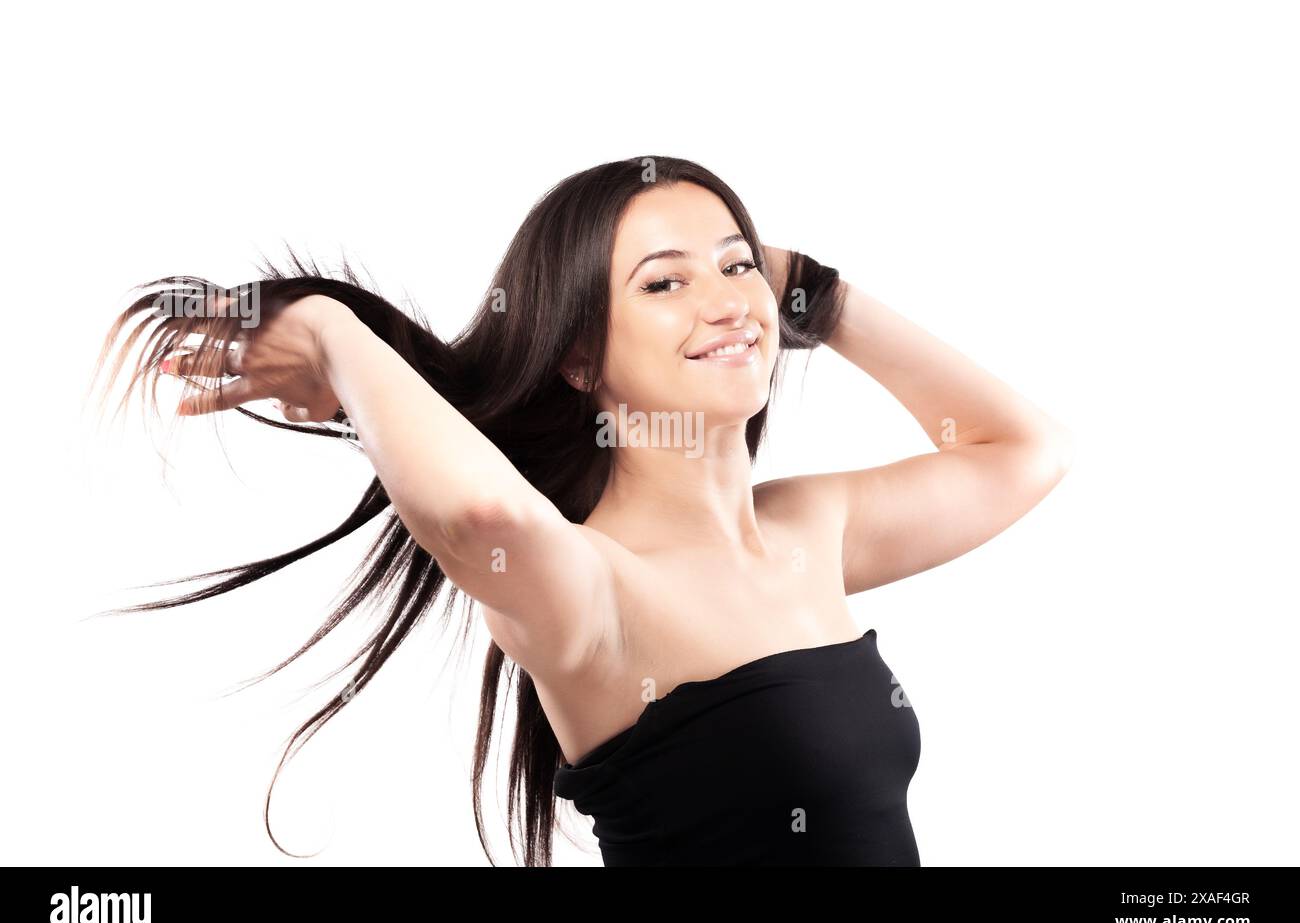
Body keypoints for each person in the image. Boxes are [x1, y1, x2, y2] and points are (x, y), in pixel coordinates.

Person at [89, 155, 1072, 866]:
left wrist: (813, 291)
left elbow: (1022, 451)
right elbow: (485, 519)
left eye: (737, 267)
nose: (726, 299)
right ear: (578, 358)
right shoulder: (585, 586)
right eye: (664, 282)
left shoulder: (808, 530)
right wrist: (335, 337)